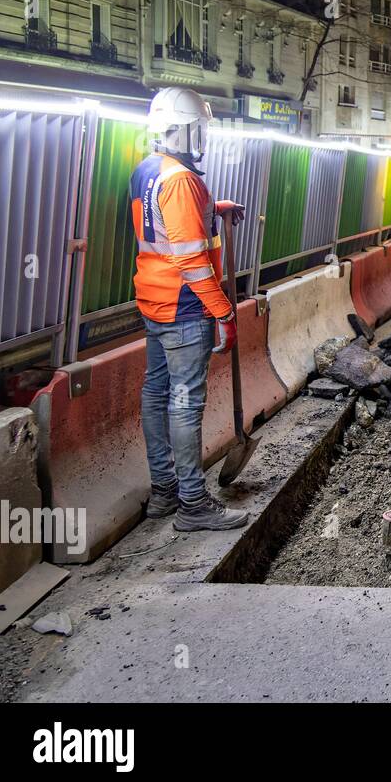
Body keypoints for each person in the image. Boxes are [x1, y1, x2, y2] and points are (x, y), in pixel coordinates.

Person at [130, 88, 249, 531]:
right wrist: (223, 312)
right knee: (183, 404)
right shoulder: (181, 179)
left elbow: (162, 228)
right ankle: (194, 505)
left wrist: (213, 208)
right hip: (185, 307)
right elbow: (190, 258)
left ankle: (164, 493)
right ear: (188, 128)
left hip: (153, 302)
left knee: (156, 395)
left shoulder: (148, 170)